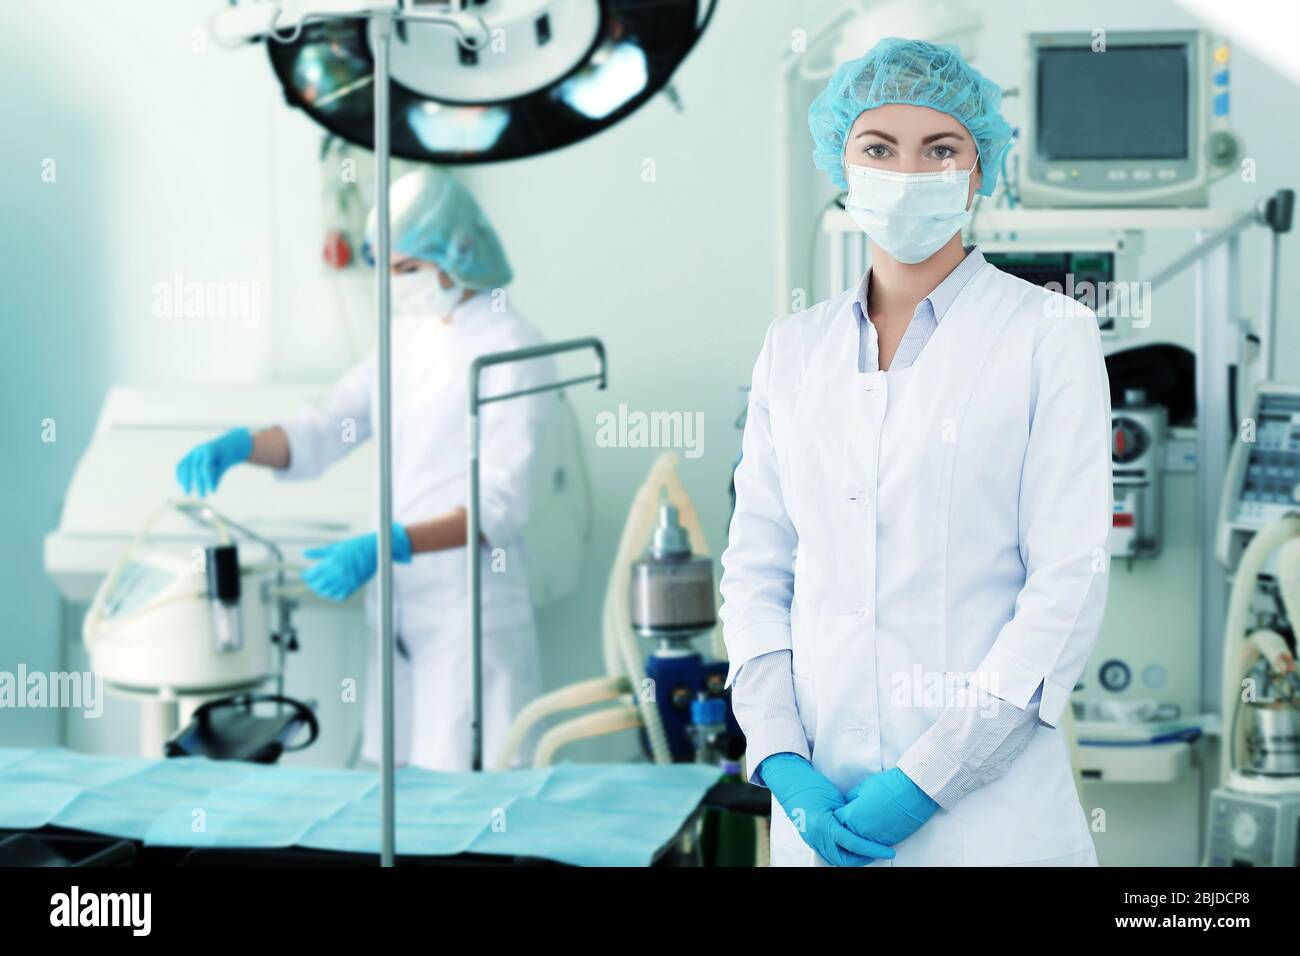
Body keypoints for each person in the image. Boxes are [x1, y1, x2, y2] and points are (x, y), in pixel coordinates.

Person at [719, 38, 1112, 867]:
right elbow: (757, 569)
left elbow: (1065, 588)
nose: (907, 171)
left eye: (941, 149)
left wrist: (929, 780)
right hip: (818, 815)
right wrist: (782, 757)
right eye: (877, 148)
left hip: (991, 825)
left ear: (979, 171)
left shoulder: (1049, 337)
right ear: (843, 165)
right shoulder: (792, 349)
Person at [175, 167, 552, 771]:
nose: (395, 283)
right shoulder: (406, 340)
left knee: (465, 801)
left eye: (407, 269)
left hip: (468, 617)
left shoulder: (514, 349)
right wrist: (243, 445)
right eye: (388, 268)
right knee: (393, 796)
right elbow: (327, 428)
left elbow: (500, 507)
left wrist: (392, 543)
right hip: (400, 613)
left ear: (455, 255)